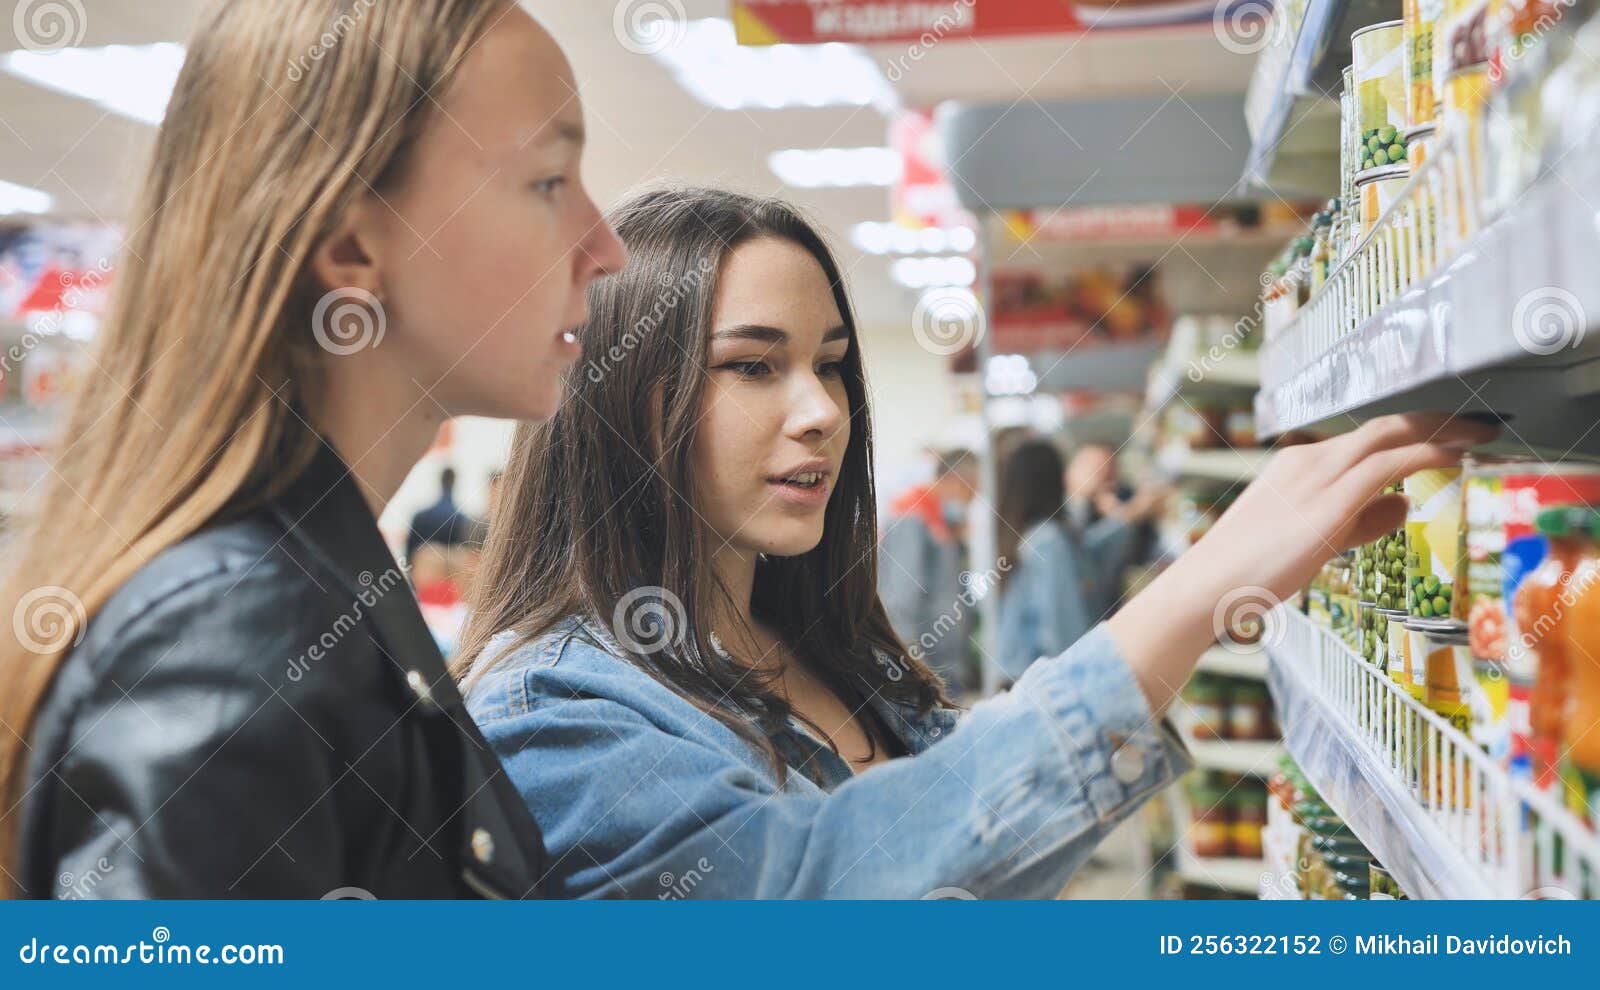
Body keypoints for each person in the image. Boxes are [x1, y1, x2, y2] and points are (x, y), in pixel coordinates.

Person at [453, 186, 1495, 899]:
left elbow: (970, 845)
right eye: (753, 366)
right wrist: (1199, 591)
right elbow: (813, 896)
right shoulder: (551, 711)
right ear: (633, 409)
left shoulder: (822, 651)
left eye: (830, 364)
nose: (822, 410)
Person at [0, 0, 627, 898]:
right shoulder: (235, 636)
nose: (603, 247)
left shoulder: (310, 594)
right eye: (548, 182)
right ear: (350, 249)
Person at [994, 439, 1149, 683]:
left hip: (1024, 679)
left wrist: (1124, 516)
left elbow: (1089, 550)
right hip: (1049, 682)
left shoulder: (1027, 534)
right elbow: (1065, 630)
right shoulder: (1050, 541)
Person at [878, 448, 981, 694]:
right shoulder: (912, 515)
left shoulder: (942, 521)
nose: (972, 500)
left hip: (946, 667)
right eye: (972, 491)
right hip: (927, 672)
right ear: (956, 482)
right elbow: (902, 600)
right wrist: (914, 668)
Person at [407, 466, 477, 562]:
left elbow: (409, 554)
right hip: (449, 571)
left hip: (422, 569)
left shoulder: (420, 516)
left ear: (440, 481)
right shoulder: (462, 520)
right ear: (454, 483)